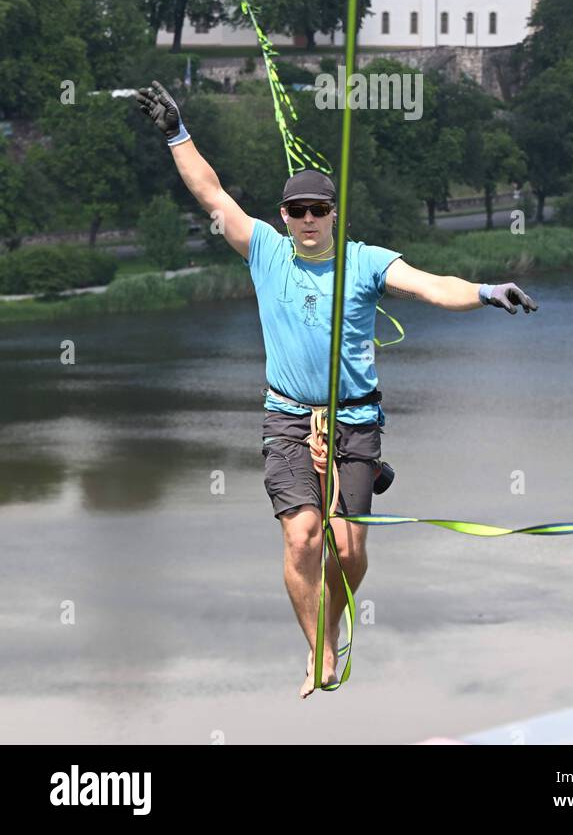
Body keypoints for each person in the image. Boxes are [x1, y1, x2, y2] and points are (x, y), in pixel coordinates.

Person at [135, 79, 538, 697]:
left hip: (354, 421)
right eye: (296, 211)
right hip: (289, 418)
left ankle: (336, 619)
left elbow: (433, 285)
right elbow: (211, 194)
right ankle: (319, 650)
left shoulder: (366, 262)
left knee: (347, 553)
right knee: (303, 536)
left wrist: (485, 292)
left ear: (333, 215)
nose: (307, 221)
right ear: (284, 217)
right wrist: (175, 132)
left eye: (317, 211)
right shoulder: (266, 252)